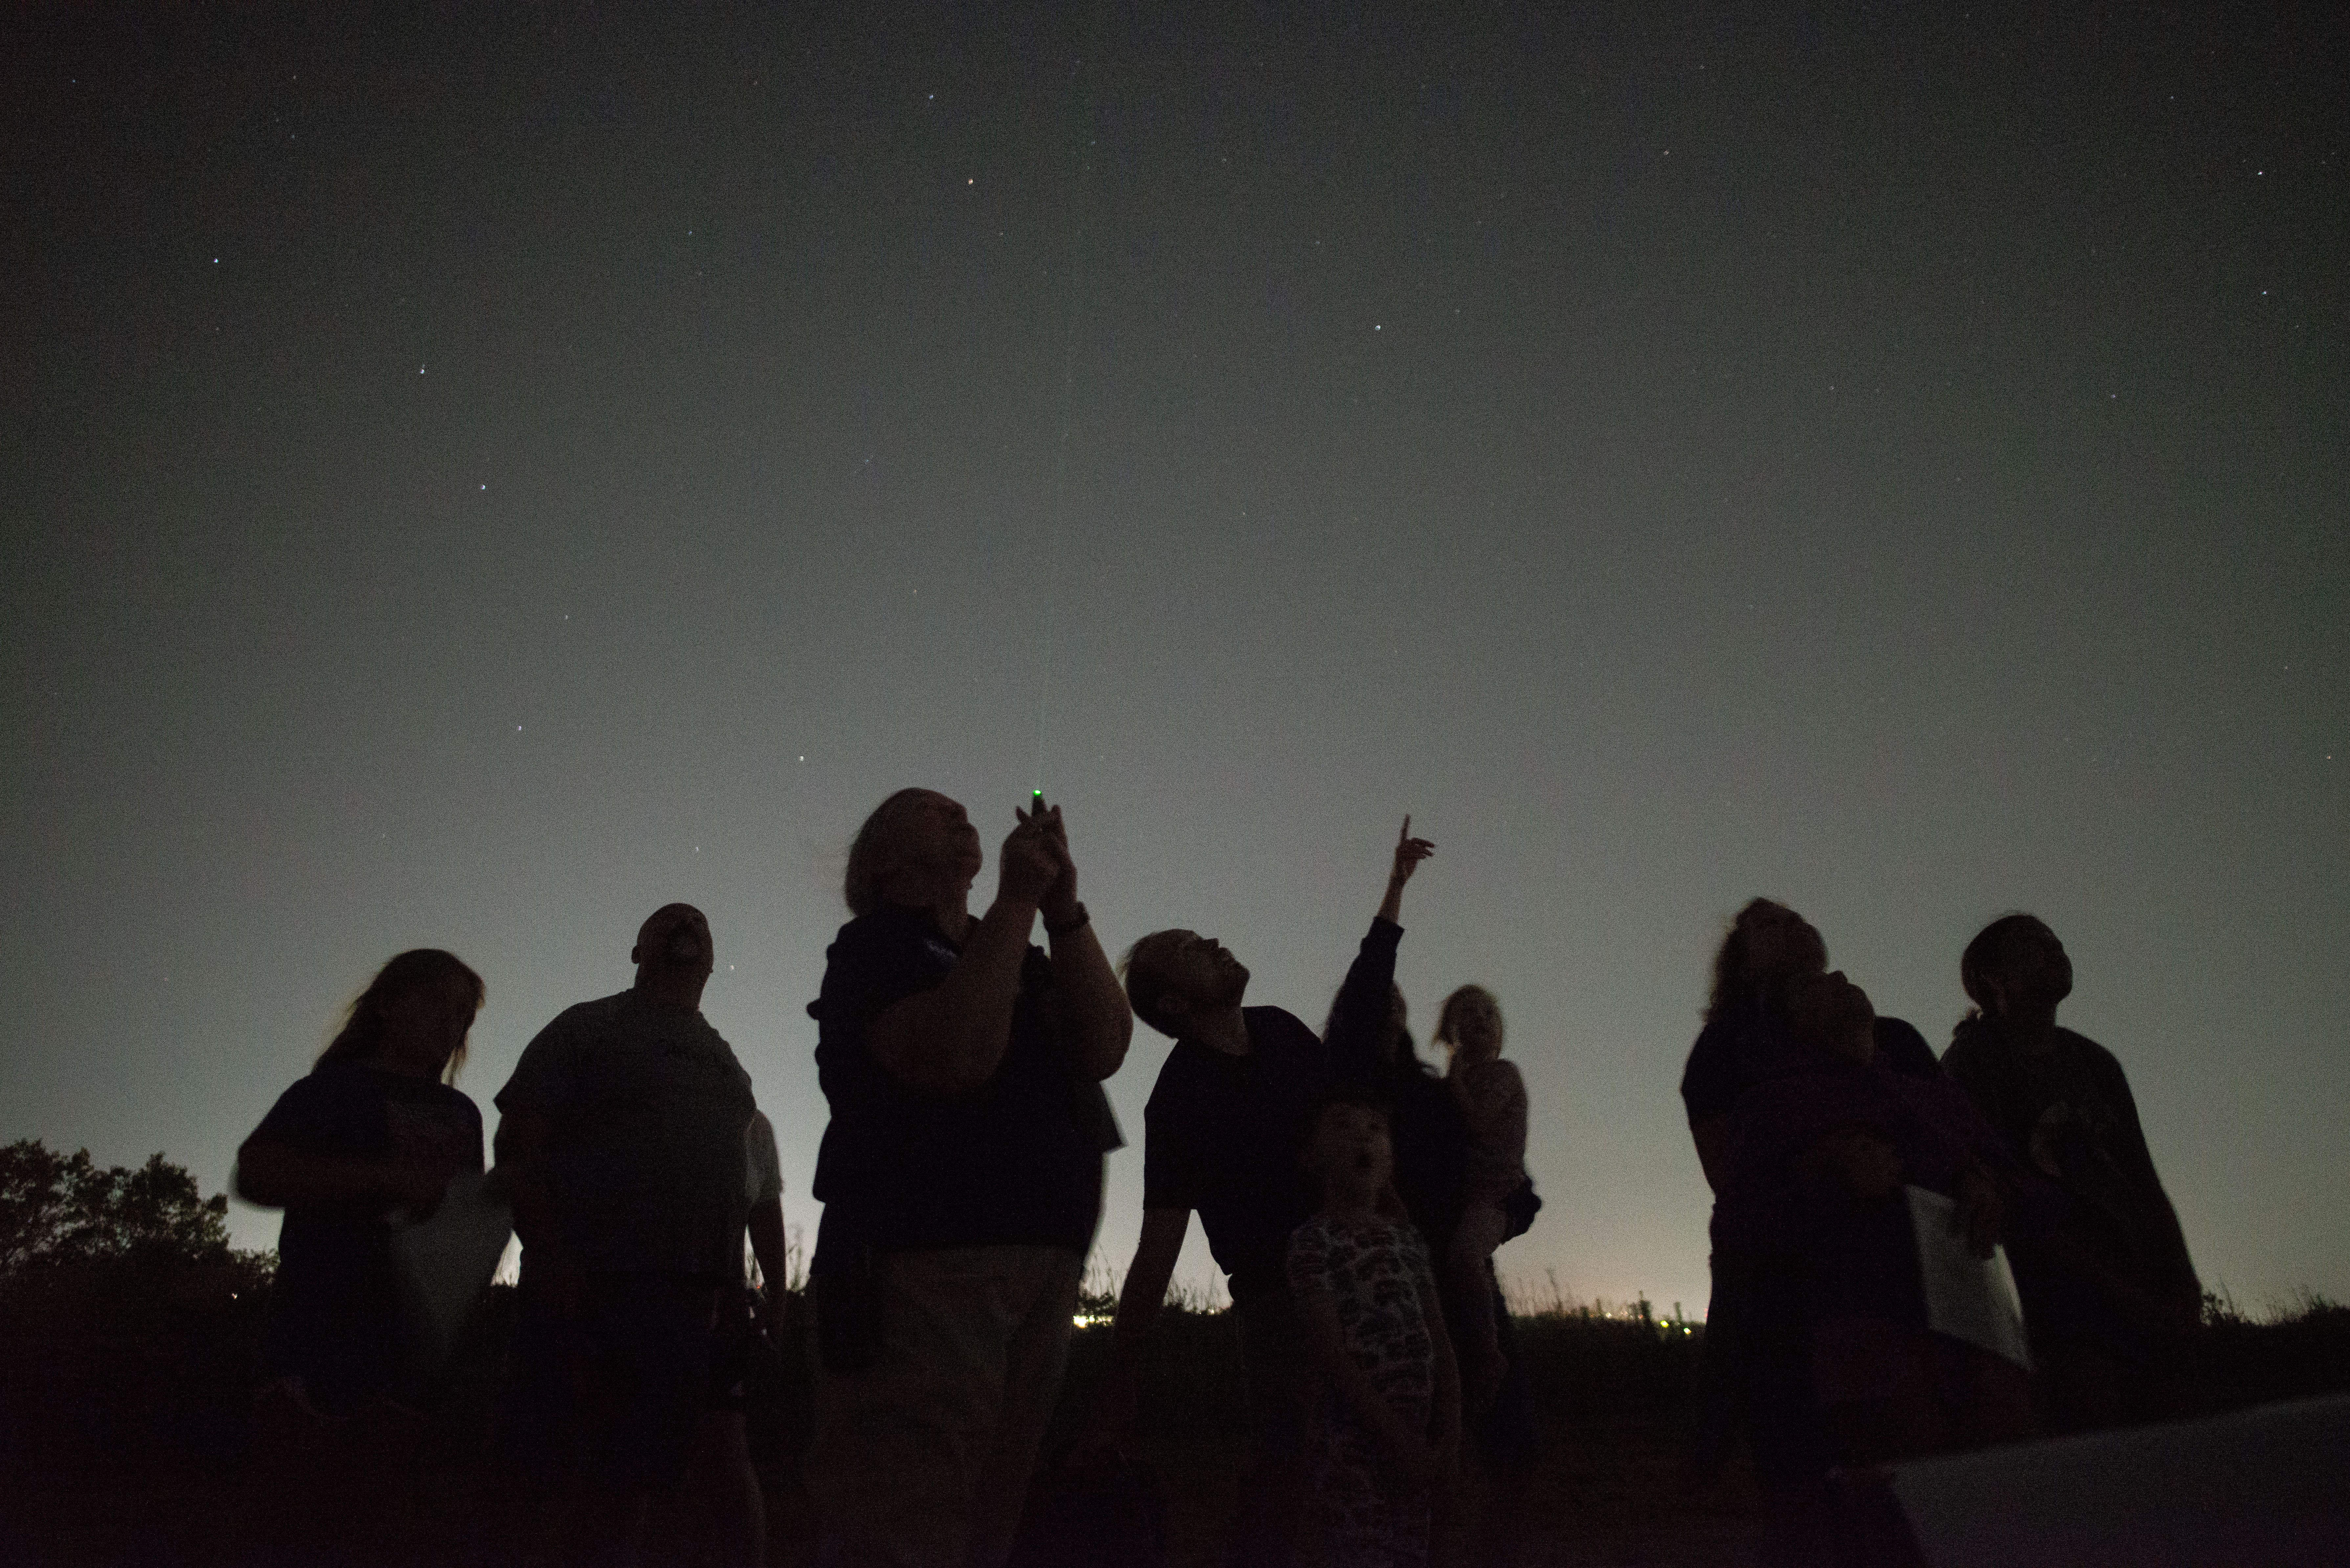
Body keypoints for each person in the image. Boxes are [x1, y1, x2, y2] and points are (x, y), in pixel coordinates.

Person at [803, 789, 1130, 1568]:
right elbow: (955, 1056)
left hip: (1043, 1270)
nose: (958, 809)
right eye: (929, 807)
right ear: (883, 858)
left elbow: (1106, 1045)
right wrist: (1018, 899)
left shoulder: (1015, 943)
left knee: (993, 1522)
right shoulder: (872, 948)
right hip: (922, 1268)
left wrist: (1062, 910)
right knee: (905, 1518)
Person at [1091, 819, 1431, 1568]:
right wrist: (1123, 1363)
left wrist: (1401, 1233)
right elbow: (1159, 1241)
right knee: (1290, 1469)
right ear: (1174, 1004)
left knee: (1385, 1459)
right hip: (1279, 1306)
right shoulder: (1178, 1100)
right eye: (1189, 950)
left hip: (1366, 1272)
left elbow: (1346, 1135)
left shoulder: (1280, 1030)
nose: (1211, 942)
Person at [493, 903, 760, 1568]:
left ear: (712, 959)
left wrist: (732, 1289)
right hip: (592, 1285)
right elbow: (518, 1142)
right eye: (666, 921)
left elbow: (730, 1182)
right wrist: (551, 1256)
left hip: (689, 1299)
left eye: (699, 923)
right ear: (636, 952)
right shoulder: (587, 1028)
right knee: (560, 1478)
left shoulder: (725, 1063)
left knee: (637, 1483)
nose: (685, 923)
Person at [1714, 969, 2036, 1473]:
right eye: (1813, 983)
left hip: (1981, 1344)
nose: (1840, 975)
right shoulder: (1771, 1108)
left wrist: (1985, 1184)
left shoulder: (1936, 1097)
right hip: (1868, 1355)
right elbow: (1739, 1232)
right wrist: (1825, 1178)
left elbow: (2016, 1180)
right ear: (1790, 1024)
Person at [1322, 823, 1540, 1567]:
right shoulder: (1351, 1087)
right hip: (1393, 1284)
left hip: (1461, 1270)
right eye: (1377, 1001)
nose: (1389, 1009)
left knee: (1511, 1446)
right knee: (1414, 1454)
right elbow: (1370, 971)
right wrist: (1396, 887)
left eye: (1398, 1005)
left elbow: (1508, 1173)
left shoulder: (1431, 1091)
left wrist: (1511, 1213)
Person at [233, 948, 487, 1561]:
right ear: (389, 1005)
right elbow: (258, 1174)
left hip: (413, 1339)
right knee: (300, 1521)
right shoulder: (330, 1091)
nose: (450, 1021)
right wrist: (381, 1179)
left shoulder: (461, 1112)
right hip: (317, 1322)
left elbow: (460, 1224)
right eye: (436, 1001)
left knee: (383, 1523)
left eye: (462, 1013)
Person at [1940, 914, 2202, 1431]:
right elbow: (1996, 1188)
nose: (2054, 947)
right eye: (2034, 943)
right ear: (1994, 978)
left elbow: (2143, 1182)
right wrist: (2112, 1291)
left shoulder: (2095, 1063)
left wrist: (2181, 1280)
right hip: (2055, 1303)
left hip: (2139, 1285)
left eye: (2056, 940)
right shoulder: (1973, 1061)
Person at [1287, 1093, 1461, 1568]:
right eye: (1343, 1125)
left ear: (1390, 1164)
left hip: (1418, 1446)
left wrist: (1449, 1433)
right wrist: (1399, 1442)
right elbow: (1332, 1358)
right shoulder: (1312, 1242)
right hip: (1350, 1451)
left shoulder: (1408, 1241)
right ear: (1312, 1158)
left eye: (1376, 1128)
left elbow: (1439, 1340)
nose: (1364, 1135)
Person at [1431, 986, 1525, 1408]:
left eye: (1487, 1012)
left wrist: (1453, 1078)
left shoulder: (1502, 1074)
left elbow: (1481, 1123)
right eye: (1467, 1013)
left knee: (1466, 1257)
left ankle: (1488, 1356)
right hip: (1467, 1200)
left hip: (1495, 1197)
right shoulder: (1453, 1086)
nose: (1479, 1019)